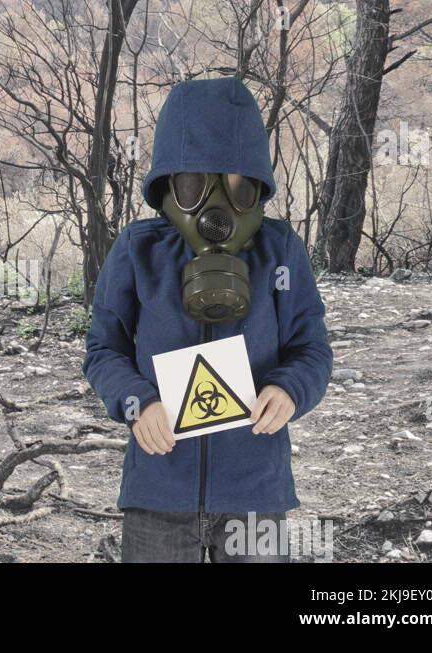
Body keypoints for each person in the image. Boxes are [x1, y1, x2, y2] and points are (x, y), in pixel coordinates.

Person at [82, 77, 333, 563]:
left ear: (258, 181)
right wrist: (138, 403)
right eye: (197, 180)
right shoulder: (139, 248)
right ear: (170, 182)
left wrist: (289, 389)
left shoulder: (279, 248)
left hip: (255, 491)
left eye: (237, 181)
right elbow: (103, 349)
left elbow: (312, 349)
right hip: (159, 487)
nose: (217, 202)